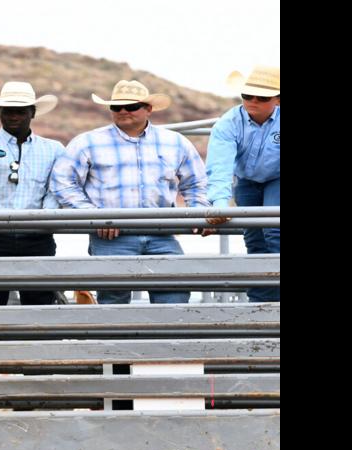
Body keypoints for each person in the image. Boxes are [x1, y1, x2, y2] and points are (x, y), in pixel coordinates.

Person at [52, 79, 210, 304]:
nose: (123, 111)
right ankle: (116, 340)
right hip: (111, 235)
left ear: (148, 109)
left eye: (131, 106)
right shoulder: (88, 142)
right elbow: (63, 182)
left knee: (174, 293)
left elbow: (196, 183)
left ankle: (166, 339)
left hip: (162, 232)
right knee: (113, 298)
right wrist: (94, 216)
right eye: (116, 107)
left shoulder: (174, 142)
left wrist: (197, 213)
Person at [0, 81, 65, 306]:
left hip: (37, 235)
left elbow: (55, 189)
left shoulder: (54, 149)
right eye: (8, 111)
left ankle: (37, 341)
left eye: (20, 111)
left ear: (32, 113)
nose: (13, 116)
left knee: (40, 300)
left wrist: (45, 217)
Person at [205, 66, 280, 302]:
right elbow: (220, 164)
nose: (253, 101)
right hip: (247, 180)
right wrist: (219, 203)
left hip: (278, 178)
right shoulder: (228, 123)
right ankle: (261, 302)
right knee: (254, 238)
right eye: (247, 95)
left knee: (274, 230)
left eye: (262, 97)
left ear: (277, 100)